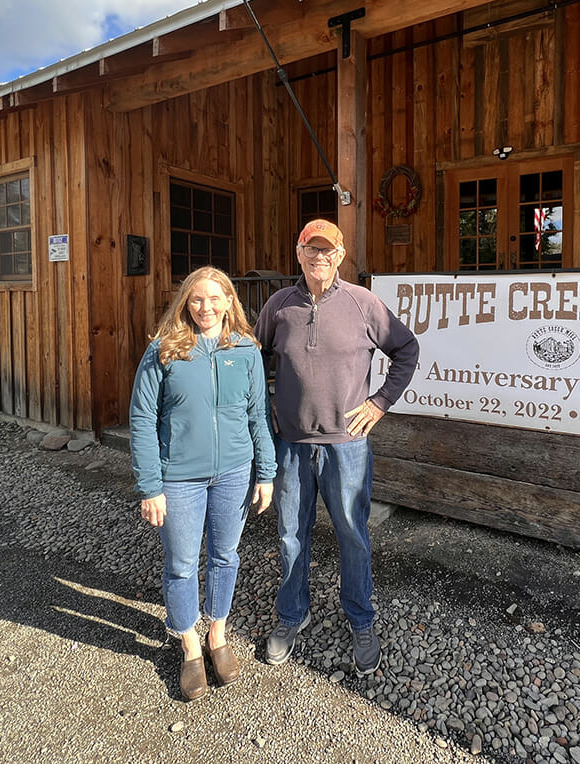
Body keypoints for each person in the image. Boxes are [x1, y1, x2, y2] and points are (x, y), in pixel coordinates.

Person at [254, 219, 419, 675]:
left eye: (329, 251)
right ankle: (292, 614)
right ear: (298, 252)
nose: (320, 258)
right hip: (290, 442)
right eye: (312, 250)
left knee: (352, 534)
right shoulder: (279, 305)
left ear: (341, 256)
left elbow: (406, 350)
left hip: (346, 445)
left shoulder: (363, 304)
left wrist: (380, 403)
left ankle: (360, 619)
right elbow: (252, 354)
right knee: (291, 533)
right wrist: (260, 408)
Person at [129, 266, 276, 701]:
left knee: (225, 555)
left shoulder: (246, 349)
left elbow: (258, 415)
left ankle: (217, 633)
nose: (205, 308)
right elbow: (141, 419)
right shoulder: (164, 350)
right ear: (184, 303)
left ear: (230, 301)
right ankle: (189, 644)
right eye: (196, 299)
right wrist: (150, 485)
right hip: (179, 478)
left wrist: (265, 472)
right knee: (181, 562)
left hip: (233, 471)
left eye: (215, 299)